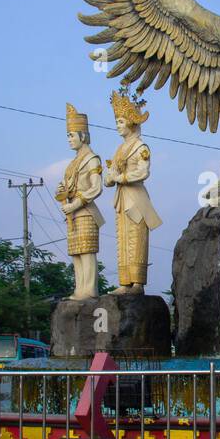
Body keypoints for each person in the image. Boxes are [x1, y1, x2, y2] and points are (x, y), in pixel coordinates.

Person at [104, 89, 162, 294]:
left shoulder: (141, 146)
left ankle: (137, 283)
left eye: (121, 121)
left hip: (136, 198)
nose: (118, 126)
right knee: (122, 238)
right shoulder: (119, 149)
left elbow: (144, 171)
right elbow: (109, 175)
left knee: (136, 237)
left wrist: (123, 178)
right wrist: (110, 178)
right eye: (117, 121)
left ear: (131, 122)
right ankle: (124, 282)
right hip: (121, 197)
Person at [55, 103, 105, 300]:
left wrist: (76, 203)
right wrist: (61, 192)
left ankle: (90, 289)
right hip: (72, 214)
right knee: (75, 253)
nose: (69, 139)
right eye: (68, 136)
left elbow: (96, 187)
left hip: (85, 210)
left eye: (72, 135)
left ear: (83, 136)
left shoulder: (92, 159)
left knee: (87, 251)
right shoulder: (72, 164)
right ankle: (79, 289)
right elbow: (68, 187)